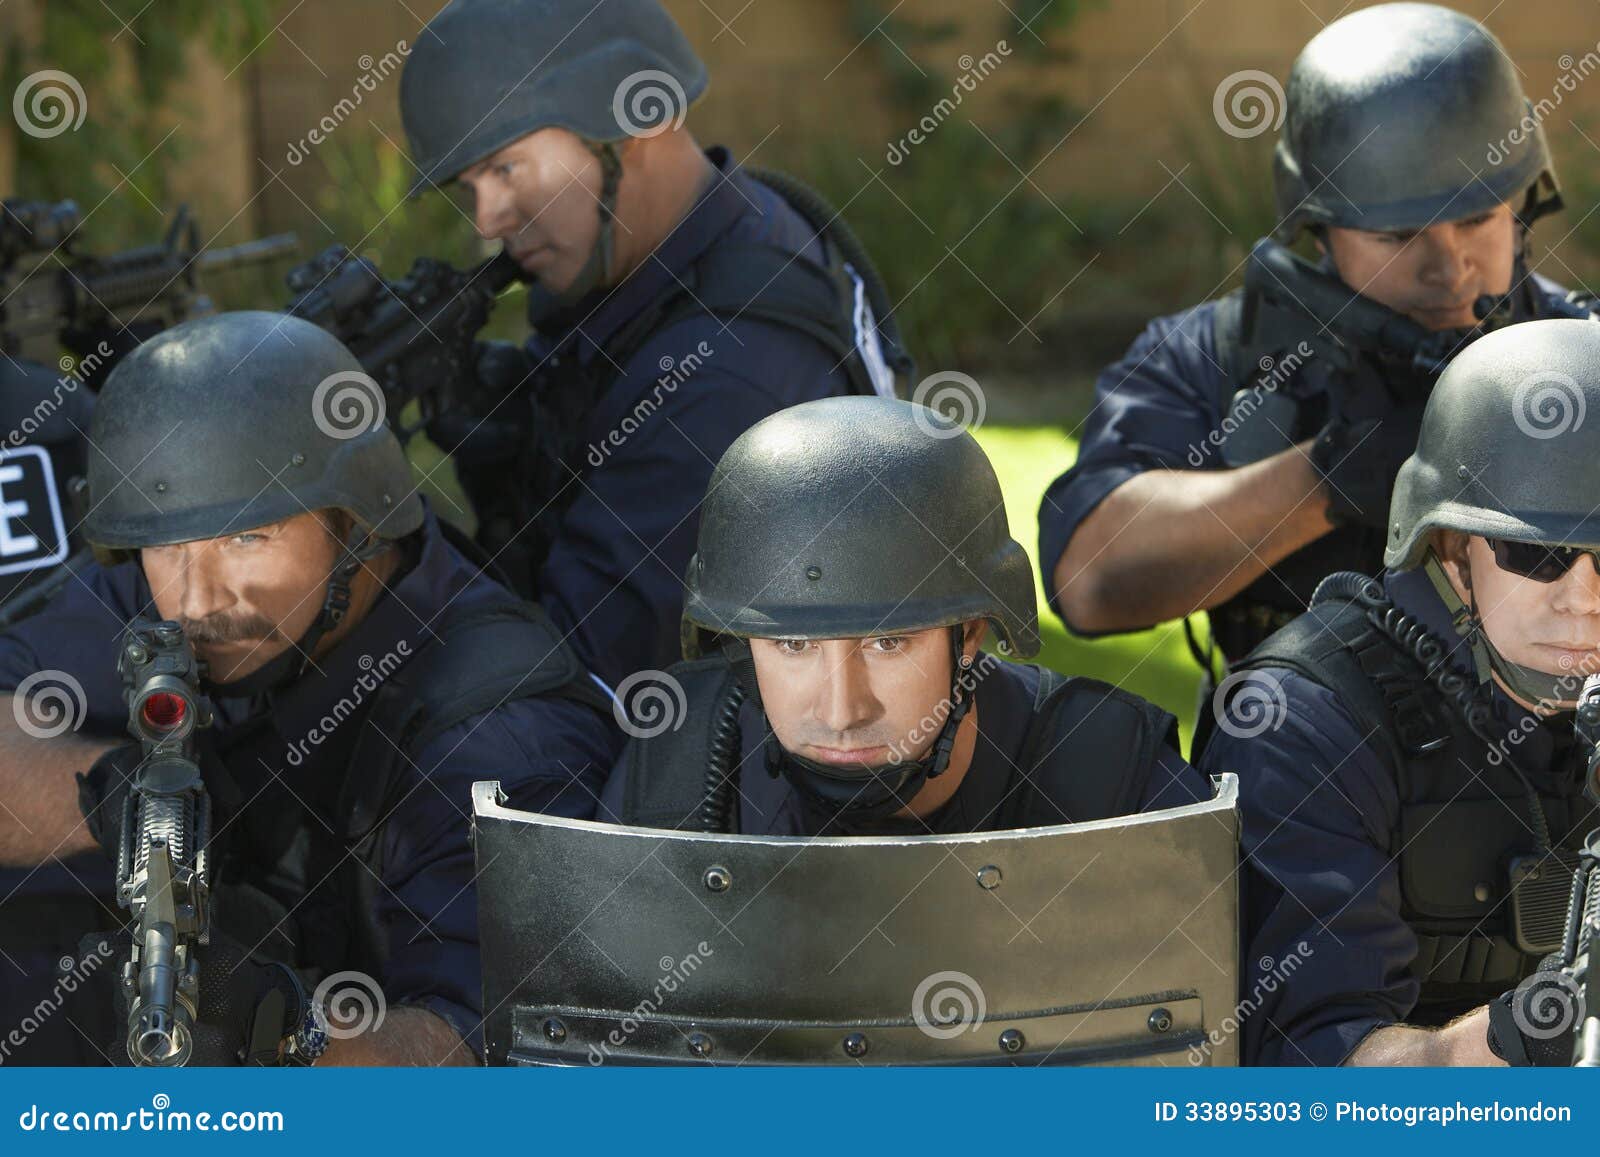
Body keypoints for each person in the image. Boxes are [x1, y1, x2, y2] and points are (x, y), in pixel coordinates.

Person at [0, 311, 620, 1065]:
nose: (195, 600)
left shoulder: (494, 729)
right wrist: (124, 800)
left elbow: (486, 1056)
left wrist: (285, 1030)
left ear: (355, 524)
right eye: (163, 546)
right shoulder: (205, 595)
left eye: (246, 538)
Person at [1038, 3, 1577, 697]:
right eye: (1398, 235)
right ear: (1317, 229)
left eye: (1476, 219)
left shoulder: (1579, 357)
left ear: (1521, 206)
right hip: (1293, 765)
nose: (1449, 268)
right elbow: (1089, 582)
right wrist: (1330, 476)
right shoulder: (1218, 355)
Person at [397, 0, 911, 690]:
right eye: (472, 187)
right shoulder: (718, 238)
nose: (488, 218)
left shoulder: (725, 368)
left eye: (508, 169)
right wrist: (513, 442)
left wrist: (385, 555)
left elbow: (575, 693)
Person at [1199, 318, 1600, 1066]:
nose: (1584, 599)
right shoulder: (1307, 723)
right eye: (1539, 551)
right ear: (1451, 547)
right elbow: (1319, 1076)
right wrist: (1546, 1024)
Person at [599, 396, 1209, 836]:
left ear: (970, 634)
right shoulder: (673, 771)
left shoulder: (1114, 784)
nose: (841, 712)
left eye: (888, 643)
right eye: (792, 646)